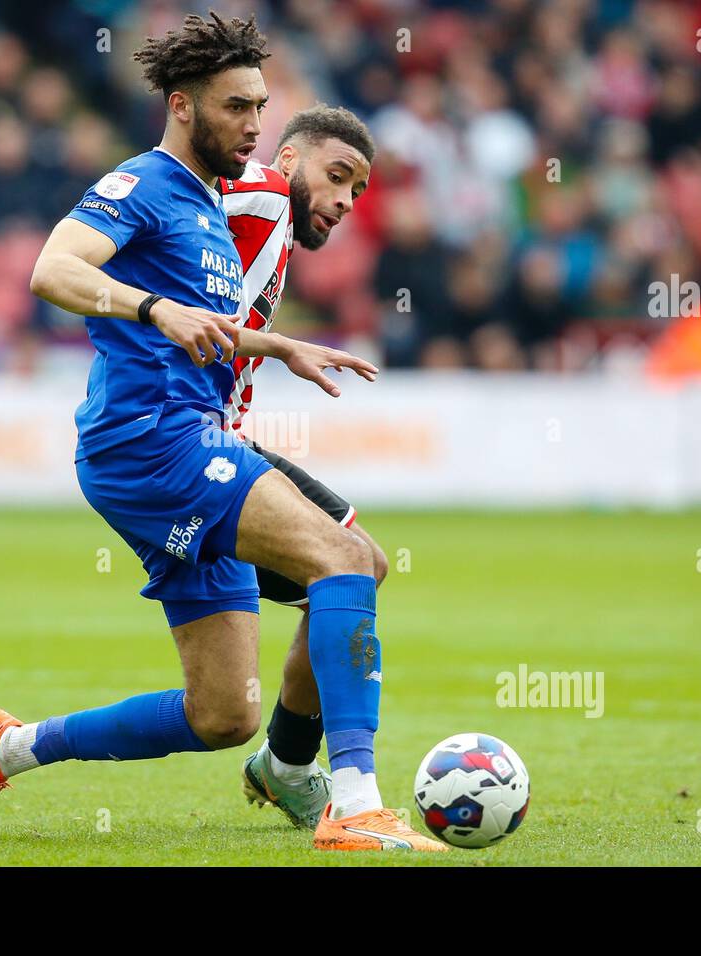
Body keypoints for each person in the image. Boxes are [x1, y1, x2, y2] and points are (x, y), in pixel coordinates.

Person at [0, 11, 445, 852]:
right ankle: (350, 802)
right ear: (183, 105)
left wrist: (273, 343)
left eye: (259, 106)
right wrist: (154, 307)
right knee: (348, 562)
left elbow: (202, 319)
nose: (253, 124)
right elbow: (52, 269)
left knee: (222, 713)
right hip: (157, 438)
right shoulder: (161, 185)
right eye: (239, 108)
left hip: (177, 444)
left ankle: (7, 747)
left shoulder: (208, 209)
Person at [215, 105, 389, 831]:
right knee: (350, 564)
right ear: (288, 162)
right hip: (192, 447)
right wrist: (283, 345)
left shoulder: (276, 231)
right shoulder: (253, 193)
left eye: (358, 190)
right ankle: (339, 791)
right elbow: (183, 198)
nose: (346, 201)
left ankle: (284, 765)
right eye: (337, 177)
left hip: (226, 439)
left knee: (359, 566)